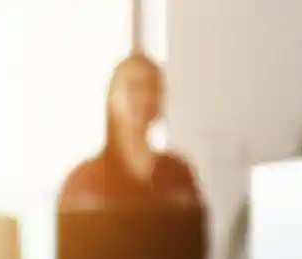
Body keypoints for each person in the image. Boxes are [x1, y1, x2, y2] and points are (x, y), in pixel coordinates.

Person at [59, 53, 202, 209]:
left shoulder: (178, 174)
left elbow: (192, 230)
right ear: (112, 97)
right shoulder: (85, 180)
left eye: (153, 86)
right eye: (134, 86)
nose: (145, 97)